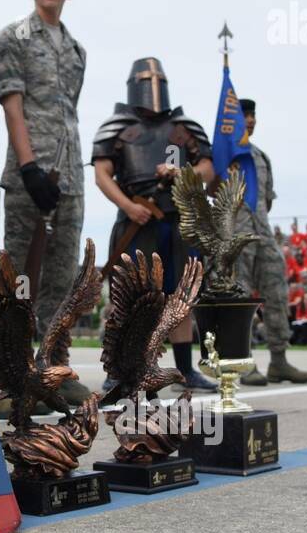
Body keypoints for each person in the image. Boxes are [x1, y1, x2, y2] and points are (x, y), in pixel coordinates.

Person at [91, 57, 216, 392]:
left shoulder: (182, 127)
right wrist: (128, 206)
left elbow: (208, 167)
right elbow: (102, 175)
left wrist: (183, 173)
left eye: (157, 79)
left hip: (178, 222)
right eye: (146, 80)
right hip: (136, 221)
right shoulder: (117, 126)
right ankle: (119, 370)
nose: (153, 86)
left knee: (180, 297)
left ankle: (185, 370)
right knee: (128, 299)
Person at [0, 0, 85, 334]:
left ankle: (53, 365)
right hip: (28, 176)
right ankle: (11, 366)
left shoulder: (78, 52)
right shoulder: (14, 38)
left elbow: (69, 113)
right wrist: (29, 168)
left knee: (63, 276)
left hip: (70, 180)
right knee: (20, 275)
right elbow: (12, 105)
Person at [232, 98, 307, 384]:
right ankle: (243, 363)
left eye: (254, 115)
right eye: (245, 115)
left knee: (277, 295)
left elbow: (266, 201)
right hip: (235, 237)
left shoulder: (261, 157)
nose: (251, 120)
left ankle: (279, 360)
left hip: (263, 233)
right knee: (240, 301)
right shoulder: (224, 154)